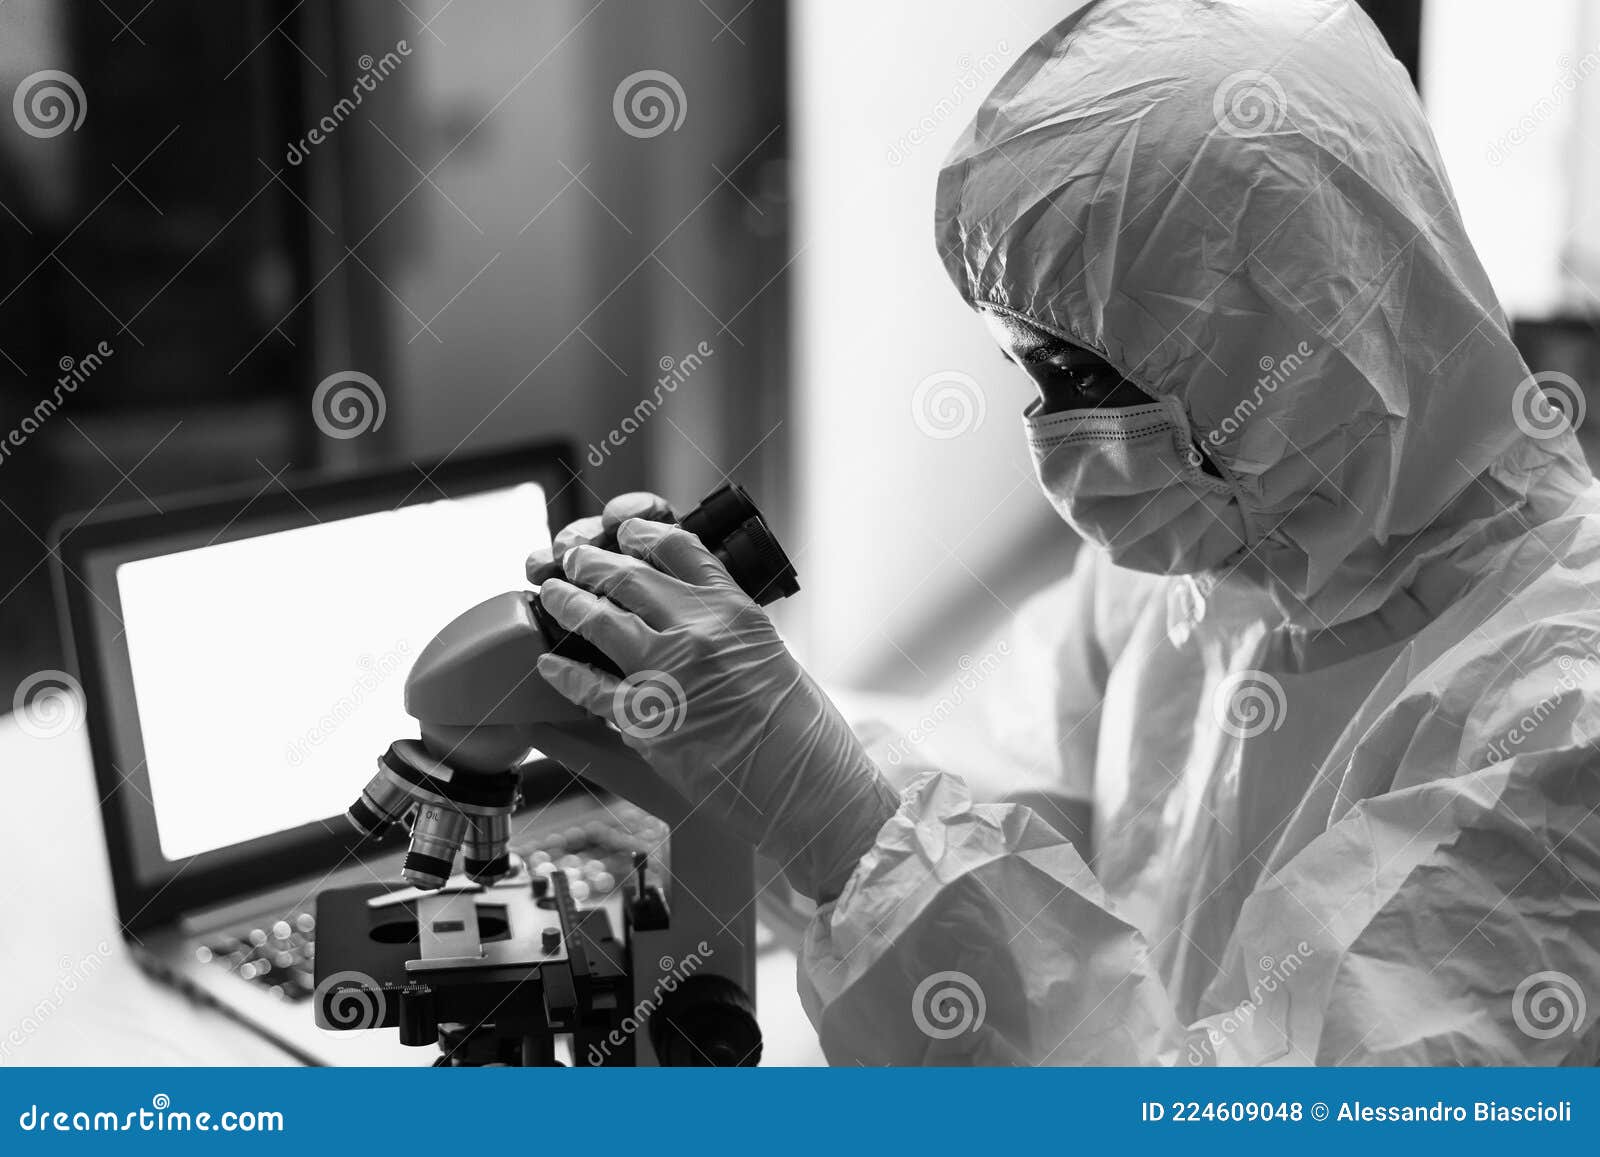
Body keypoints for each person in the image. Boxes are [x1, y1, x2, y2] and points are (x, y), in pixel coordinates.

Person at [530, 0, 1600, 1064]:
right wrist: (728, 730)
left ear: (1305, 338)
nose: (1052, 433)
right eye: (1030, 371)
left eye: (1085, 375)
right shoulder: (1218, 563)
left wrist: (827, 807)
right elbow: (995, 808)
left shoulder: (1555, 725)